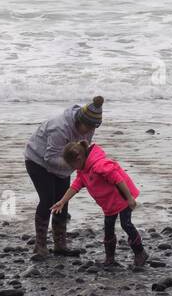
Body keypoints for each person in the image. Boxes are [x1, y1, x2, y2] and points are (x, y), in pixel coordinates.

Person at [24, 95, 103, 259]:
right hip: (38, 160)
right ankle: (40, 246)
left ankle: (60, 245)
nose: (88, 131)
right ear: (78, 120)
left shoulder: (90, 126)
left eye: (92, 128)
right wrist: (75, 164)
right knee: (47, 200)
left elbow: (83, 151)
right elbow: (50, 158)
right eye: (86, 127)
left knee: (63, 200)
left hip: (65, 162)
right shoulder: (59, 127)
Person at [52, 139, 147, 268]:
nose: (72, 169)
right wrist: (62, 201)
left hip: (123, 197)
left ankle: (140, 252)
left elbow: (119, 180)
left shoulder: (100, 166)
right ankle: (110, 258)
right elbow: (75, 186)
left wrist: (130, 198)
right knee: (108, 228)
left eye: (72, 165)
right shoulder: (83, 171)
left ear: (79, 159)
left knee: (126, 224)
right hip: (109, 203)